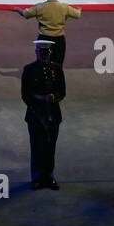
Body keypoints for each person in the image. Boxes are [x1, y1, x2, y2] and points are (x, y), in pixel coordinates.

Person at [22, 38, 66, 190]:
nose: (43, 55)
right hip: (36, 114)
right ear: (36, 52)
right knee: (36, 146)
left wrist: (55, 97)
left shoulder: (57, 69)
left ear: (50, 53)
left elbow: (62, 91)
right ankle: (37, 176)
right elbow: (25, 94)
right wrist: (40, 98)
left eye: (46, 52)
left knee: (50, 146)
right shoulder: (29, 69)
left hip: (53, 114)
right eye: (41, 52)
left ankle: (49, 175)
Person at [16, 0, 80, 66]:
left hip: (44, 38)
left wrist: (17, 9)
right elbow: (77, 15)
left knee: (42, 64)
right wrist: (80, 9)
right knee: (58, 65)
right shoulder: (65, 7)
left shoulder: (40, 7)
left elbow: (25, 14)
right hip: (59, 40)